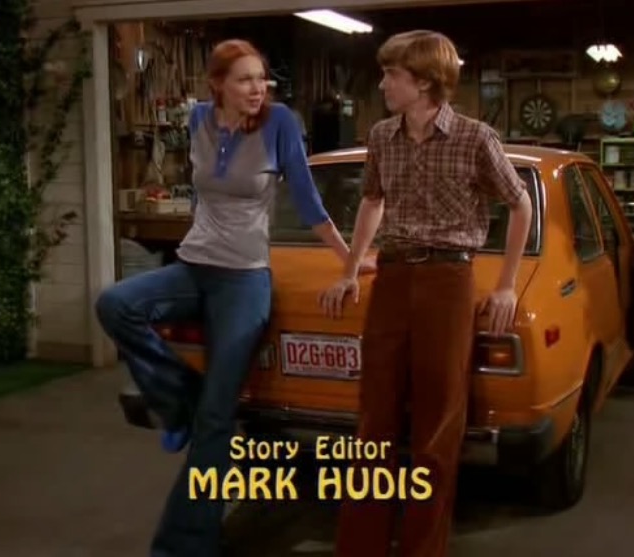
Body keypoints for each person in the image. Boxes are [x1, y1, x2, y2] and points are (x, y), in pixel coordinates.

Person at [96, 39, 365, 557]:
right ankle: (180, 402)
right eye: (244, 79)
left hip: (244, 279)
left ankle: (182, 546)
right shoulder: (198, 119)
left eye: (261, 78)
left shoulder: (280, 122)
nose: (257, 88)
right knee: (115, 305)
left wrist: (351, 261)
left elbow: (307, 199)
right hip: (194, 264)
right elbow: (204, 194)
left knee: (216, 422)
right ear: (217, 85)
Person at [319, 30, 533, 557]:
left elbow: (520, 205)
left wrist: (506, 285)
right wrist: (350, 270)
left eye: (391, 75)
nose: (382, 84)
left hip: (448, 279)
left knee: (437, 425)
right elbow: (372, 201)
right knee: (375, 418)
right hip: (393, 277)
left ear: (424, 82)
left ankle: (422, 549)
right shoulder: (382, 136)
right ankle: (361, 547)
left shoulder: (475, 138)